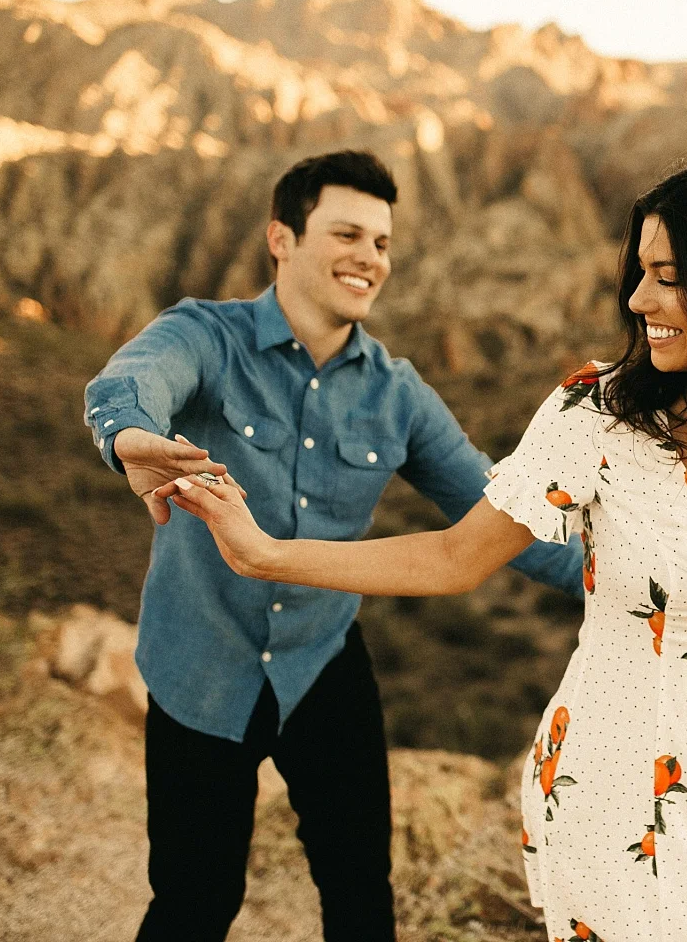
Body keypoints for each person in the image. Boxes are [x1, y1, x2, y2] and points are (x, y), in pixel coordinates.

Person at [160, 156, 687, 942]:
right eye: (639, 273)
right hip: (612, 787)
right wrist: (265, 554)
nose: (638, 301)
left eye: (666, 277)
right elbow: (454, 557)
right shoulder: (597, 418)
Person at [82, 149, 585, 942]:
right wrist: (133, 438)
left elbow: (504, 519)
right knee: (194, 900)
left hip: (324, 664)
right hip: (197, 663)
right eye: (348, 233)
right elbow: (132, 380)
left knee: (360, 897)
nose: (369, 258)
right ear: (281, 237)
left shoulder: (399, 394)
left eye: (382, 242)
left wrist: (639, 575)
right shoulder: (206, 336)